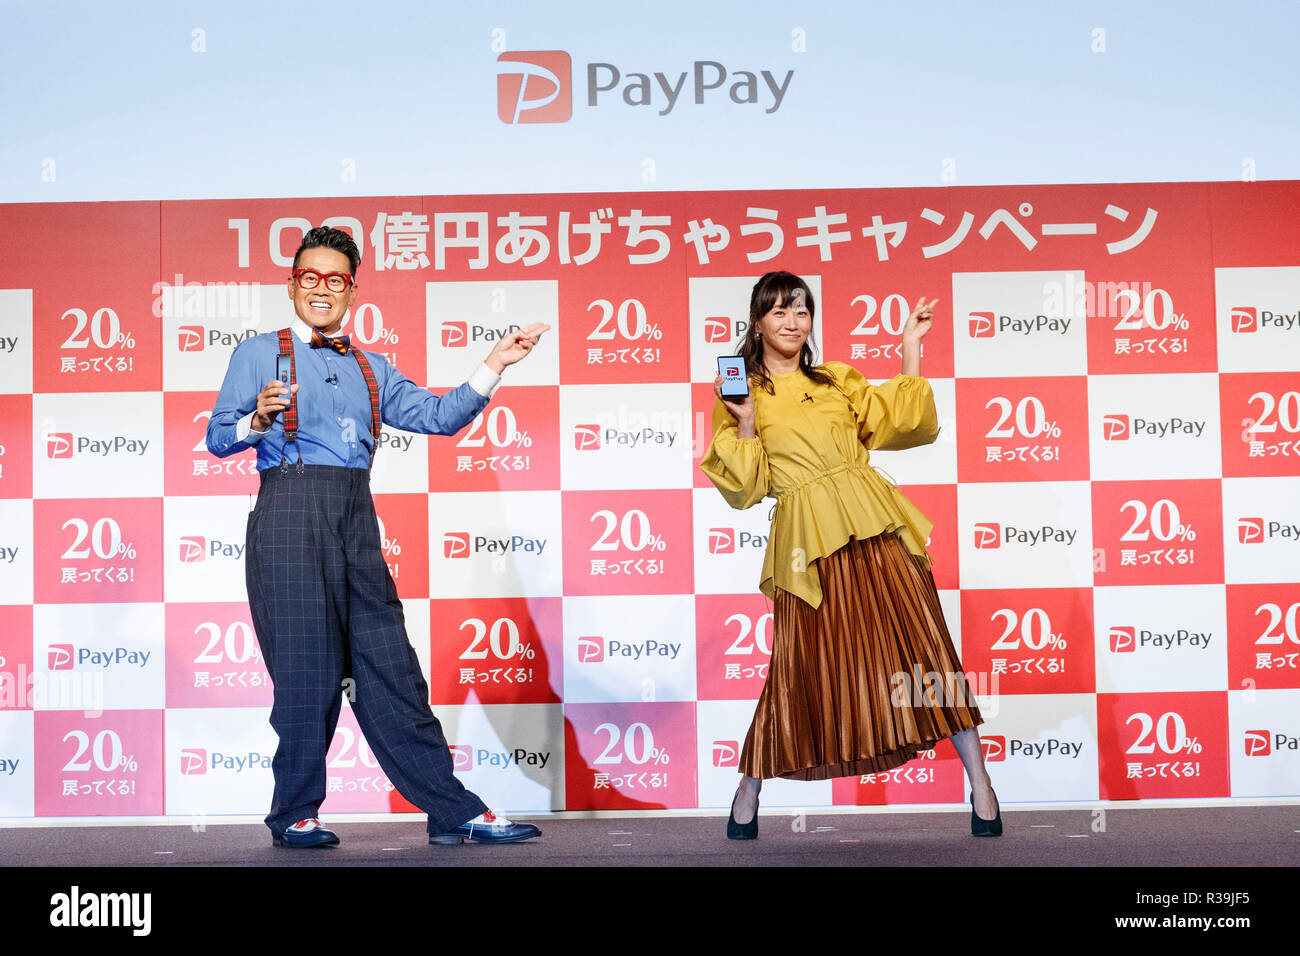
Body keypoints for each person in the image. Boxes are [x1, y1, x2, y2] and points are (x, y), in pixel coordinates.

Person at [207, 226, 549, 847]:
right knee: (307, 674)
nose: (321, 290)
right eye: (309, 277)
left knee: (392, 668)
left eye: (334, 280)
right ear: (292, 285)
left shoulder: (372, 366)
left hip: (355, 519)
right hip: (287, 514)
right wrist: (256, 418)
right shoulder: (258, 352)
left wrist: (494, 364)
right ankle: (295, 815)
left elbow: (441, 417)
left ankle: (451, 810)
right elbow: (217, 437)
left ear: (351, 291)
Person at [700, 271, 1001, 839]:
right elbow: (742, 488)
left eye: (802, 311)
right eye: (779, 312)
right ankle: (750, 785)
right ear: (757, 321)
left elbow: (899, 421)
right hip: (807, 545)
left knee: (927, 650)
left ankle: (981, 785)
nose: (792, 322)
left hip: (876, 525)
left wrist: (910, 348)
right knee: (801, 666)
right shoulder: (742, 392)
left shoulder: (836, 378)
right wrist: (742, 422)